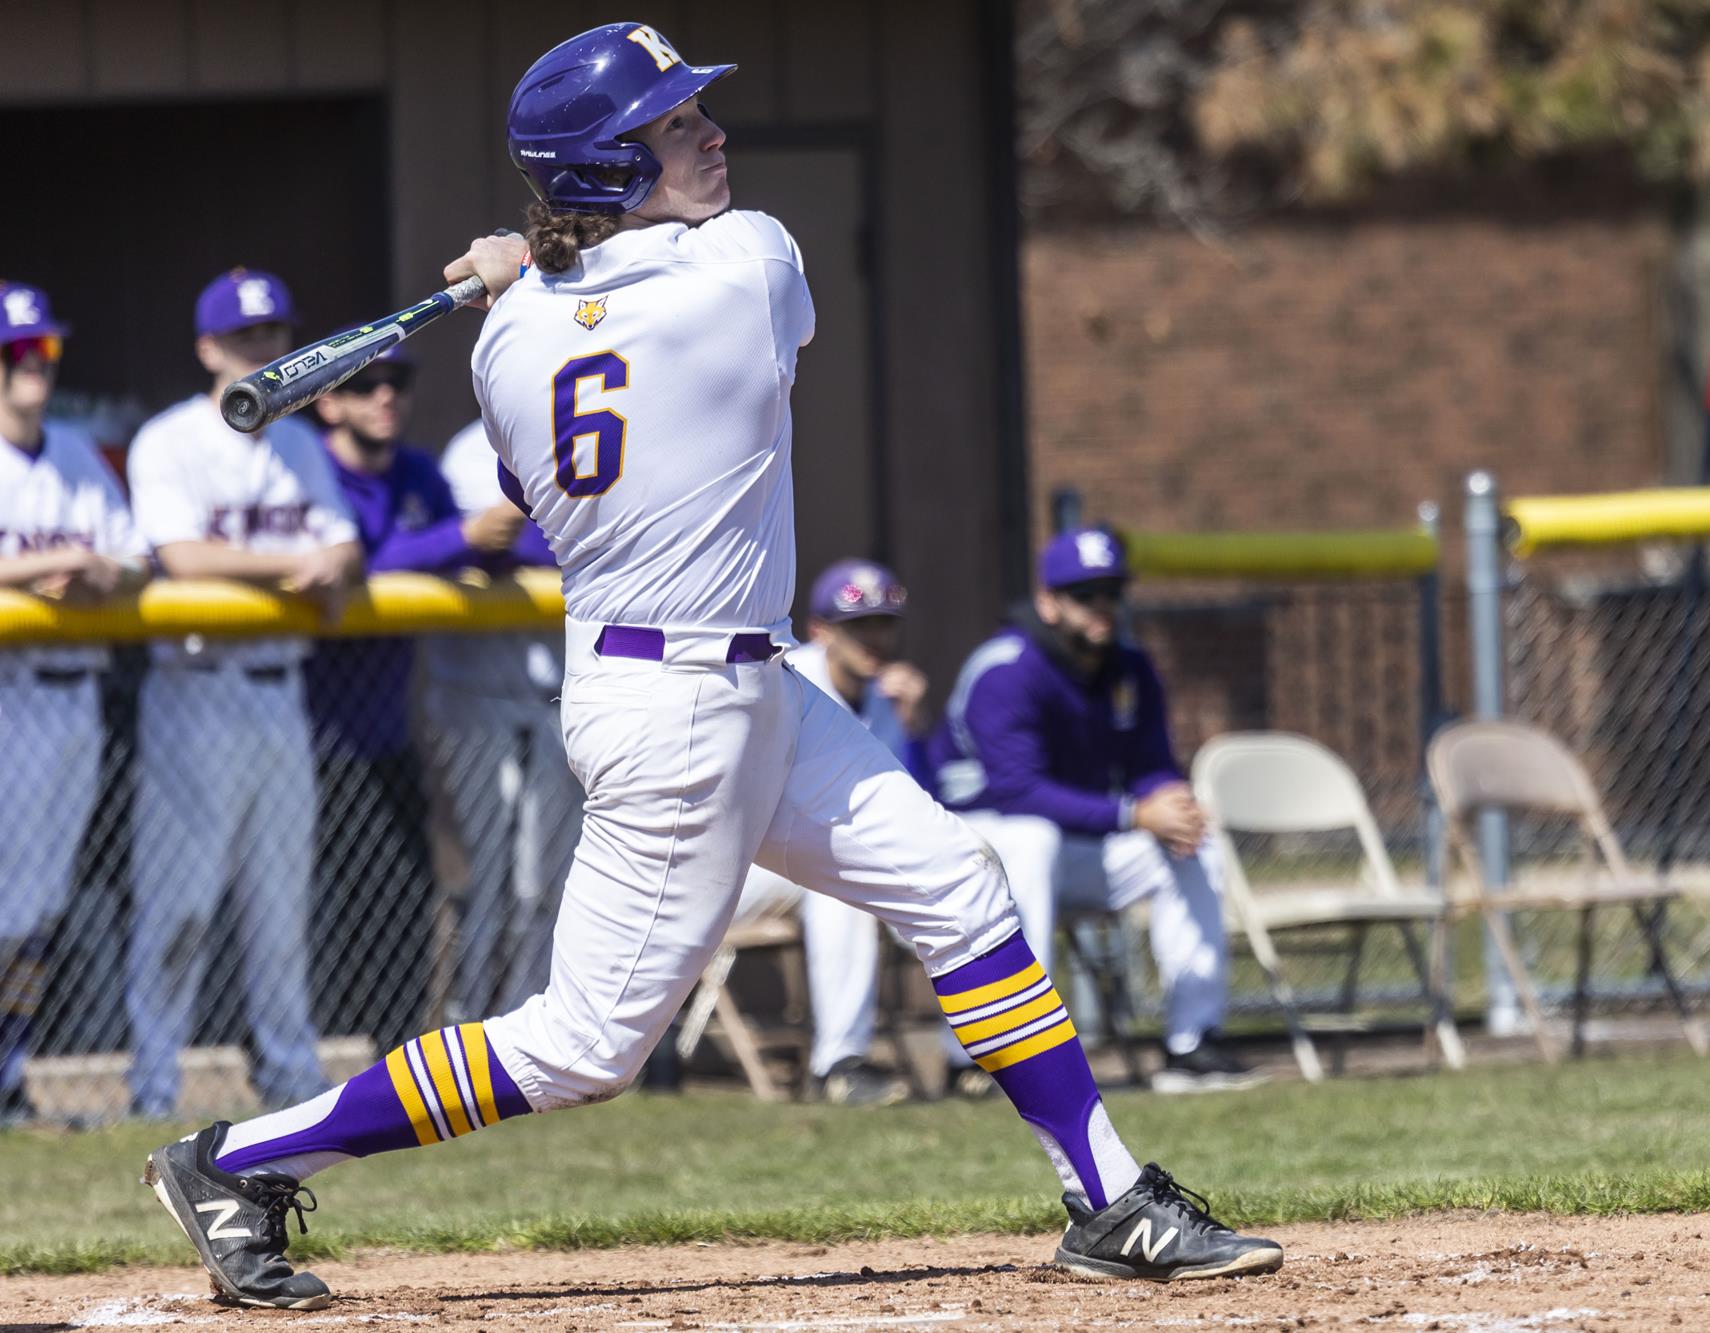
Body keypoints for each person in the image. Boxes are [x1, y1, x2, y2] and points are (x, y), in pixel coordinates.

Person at [139, 25, 1280, 1311]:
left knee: (956, 885)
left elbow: (537, 464)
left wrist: (530, 277)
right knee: (582, 1046)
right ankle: (233, 1159)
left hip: (744, 685)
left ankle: (1105, 1197)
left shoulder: (500, 346)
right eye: (677, 127)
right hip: (676, 713)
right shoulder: (749, 264)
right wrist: (549, 266)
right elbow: (663, 315)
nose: (712, 136)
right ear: (610, 170)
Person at [122, 268, 361, 1120]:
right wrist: (295, 569)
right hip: (195, 688)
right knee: (178, 904)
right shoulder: (169, 439)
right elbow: (181, 557)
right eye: (247, 337)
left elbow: (342, 548)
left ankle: (292, 1080)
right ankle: (154, 1085)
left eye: (274, 334)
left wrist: (325, 563)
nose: (266, 349)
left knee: (279, 902)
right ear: (208, 348)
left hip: (277, 690)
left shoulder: (299, 442)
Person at [928, 528, 1257, 1094]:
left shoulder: (1128, 668)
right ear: (1048, 602)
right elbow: (1018, 792)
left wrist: (1170, 802)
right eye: (1084, 594)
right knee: (1034, 838)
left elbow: (1149, 761)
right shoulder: (1006, 668)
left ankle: (1194, 1041)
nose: (1102, 606)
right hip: (974, 843)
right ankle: (1013, 1052)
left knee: (1193, 846)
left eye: (1111, 591)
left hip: (1070, 839)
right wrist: (1134, 814)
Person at [305, 349, 520, 1052]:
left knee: (401, 897)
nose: (385, 396)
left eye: (397, 380)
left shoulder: (418, 472)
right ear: (329, 401)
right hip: (303, 728)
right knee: (307, 912)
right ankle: (296, 1061)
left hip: (386, 731)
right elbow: (367, 561)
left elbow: (471, 553)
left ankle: (396, 1056)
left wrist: (487, 542)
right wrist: (460, 536)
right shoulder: (313, 467)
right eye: (365, 384)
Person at [0, 282, 147, 1121]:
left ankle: (10, 1075)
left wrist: (99, 571)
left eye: (45, 350)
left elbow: (134, 560)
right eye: (19, 352)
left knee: (43, 900)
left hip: (74, 696)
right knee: (7, 901)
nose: (35, 367)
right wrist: (38, 570)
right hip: (9, 697)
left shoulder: (78, 453)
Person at [730, 558, 929, 1107]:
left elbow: (910, 802)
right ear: (820, 631)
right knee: (842, 885)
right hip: (736, 862)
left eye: (883, 623)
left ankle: (976, 1054)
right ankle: (840, 1064)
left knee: (852, 879)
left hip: (805, 860)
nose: (875, 638)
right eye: (857, 625)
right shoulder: (788, 677)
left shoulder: (886, 699)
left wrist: (913, 727)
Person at [424, 417, 577, 1023]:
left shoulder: (578, 427)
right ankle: (467, 1022)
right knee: (486, 882)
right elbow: (482, 543)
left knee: (545, 882)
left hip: (557, 697)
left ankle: (532, 1018)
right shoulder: (470, 448)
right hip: (478, 698)